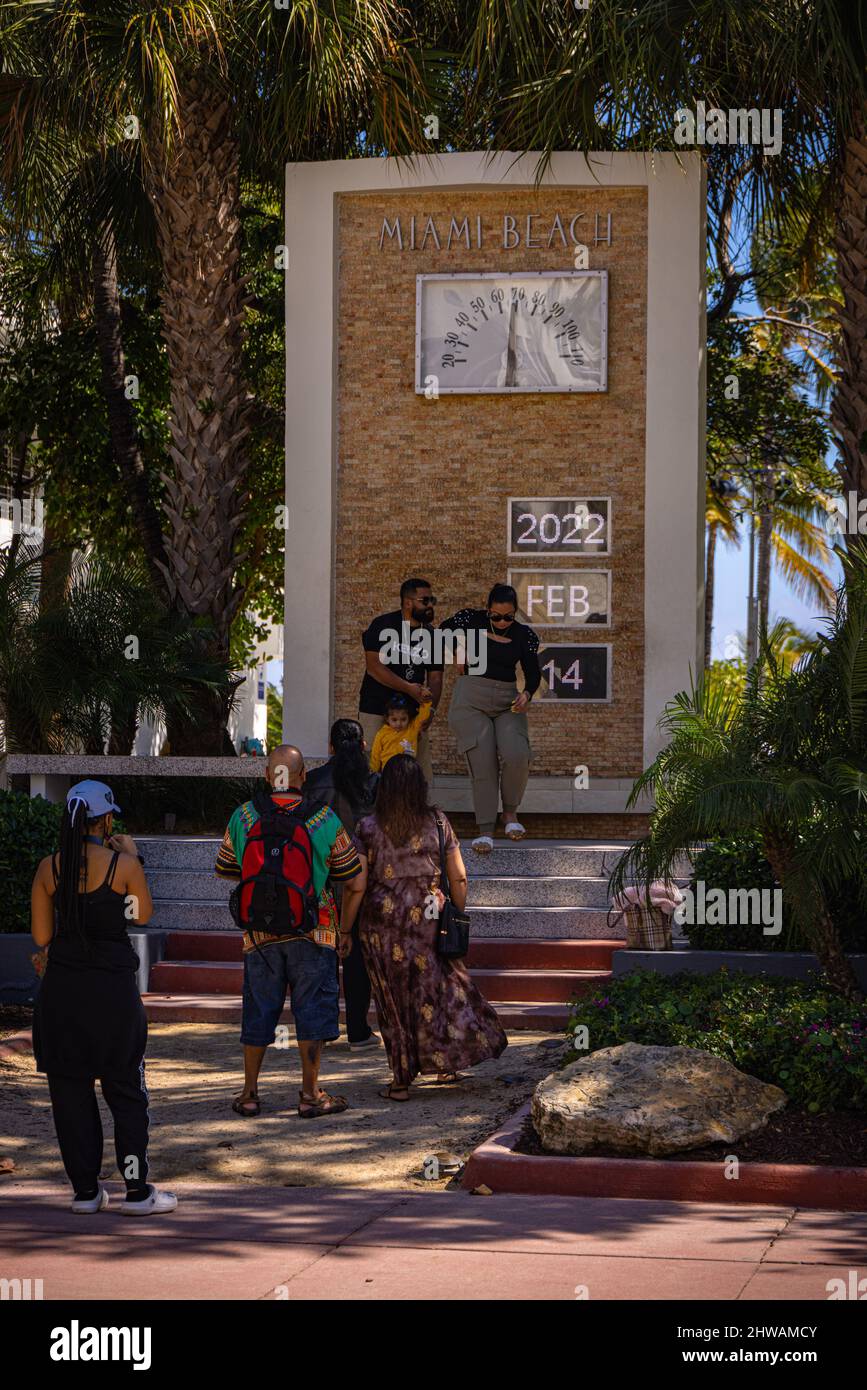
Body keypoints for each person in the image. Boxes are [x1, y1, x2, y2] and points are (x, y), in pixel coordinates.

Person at [30, 780, 176, 1216]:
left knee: (70, 1094)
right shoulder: (123, 866)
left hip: (62, 997)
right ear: (106, 819)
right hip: (112, 997)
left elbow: (41, 937)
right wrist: (131, 858)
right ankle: (136, 1190)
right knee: (126, 1091)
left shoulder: (47, 869)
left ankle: (85, 1192)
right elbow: (141, 914)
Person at [215, 744, 366, 1118]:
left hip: (258, 937)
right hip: (314, 933)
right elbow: (354, 879)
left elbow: (226, 869)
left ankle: (250, 1094)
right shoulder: (324, 818)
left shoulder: (244, 816)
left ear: (268, 776)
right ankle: (311, 1094)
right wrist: (345, 931)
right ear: (303, 778)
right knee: (312, 1010)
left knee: (259, 1009)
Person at [352, 755, 508, 1101]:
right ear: (420, 787)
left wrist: (346, 926)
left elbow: (357, 884)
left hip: (381, 927)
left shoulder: (367, 828)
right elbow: (460, 876)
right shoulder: (438, 822)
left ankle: (400, 1082)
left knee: (392, 1001)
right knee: (435, 992)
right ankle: (446, 1059)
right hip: (429, 920)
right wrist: (454, 916)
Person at [441, 584, 541, 855]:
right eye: (496, 616)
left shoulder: (524, 635)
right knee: (482, 761)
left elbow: (533, 671)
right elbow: (443, 631)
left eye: (508, 617)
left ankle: (509, 814)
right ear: (488, 610)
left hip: (506, 700)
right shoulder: (470, 619)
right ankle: (485, 830)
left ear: (515, 613)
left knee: (517, 753)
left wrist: (528, 693)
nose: (501, 622)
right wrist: (459, 651)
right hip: (472, 699)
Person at [304, 719, 382, 1052]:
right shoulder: (373, 782)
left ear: (330, 747)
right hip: (361, 879)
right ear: (363, 745)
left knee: (320, 955)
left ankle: (321, 1028)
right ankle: (358, 1031)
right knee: (357, 959)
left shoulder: (311, 782)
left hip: (319, 880)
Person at [358, 577, 444, 782]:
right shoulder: (382, 625)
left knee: (418, 772)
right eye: (425, 600)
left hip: (412, 714)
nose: (430, 605)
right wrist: (408, 688)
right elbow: (374, 667)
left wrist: (430, 710)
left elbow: (436, 677)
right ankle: (372, 814)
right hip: (375, 709)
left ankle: (417, 813)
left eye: (432, 600)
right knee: (371, 769)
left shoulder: (433, 636)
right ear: (408, 602)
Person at [368, 693, 433, 773]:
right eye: (394, 720)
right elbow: (376, 755)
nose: (399, 723)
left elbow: (424, 716)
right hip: (388, 772)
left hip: (408, 771)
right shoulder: (382, 733)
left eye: (403, 719)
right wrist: (373, 772)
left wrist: (426, 700)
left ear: (409, 717)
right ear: (387, 719)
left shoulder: (412, 728)